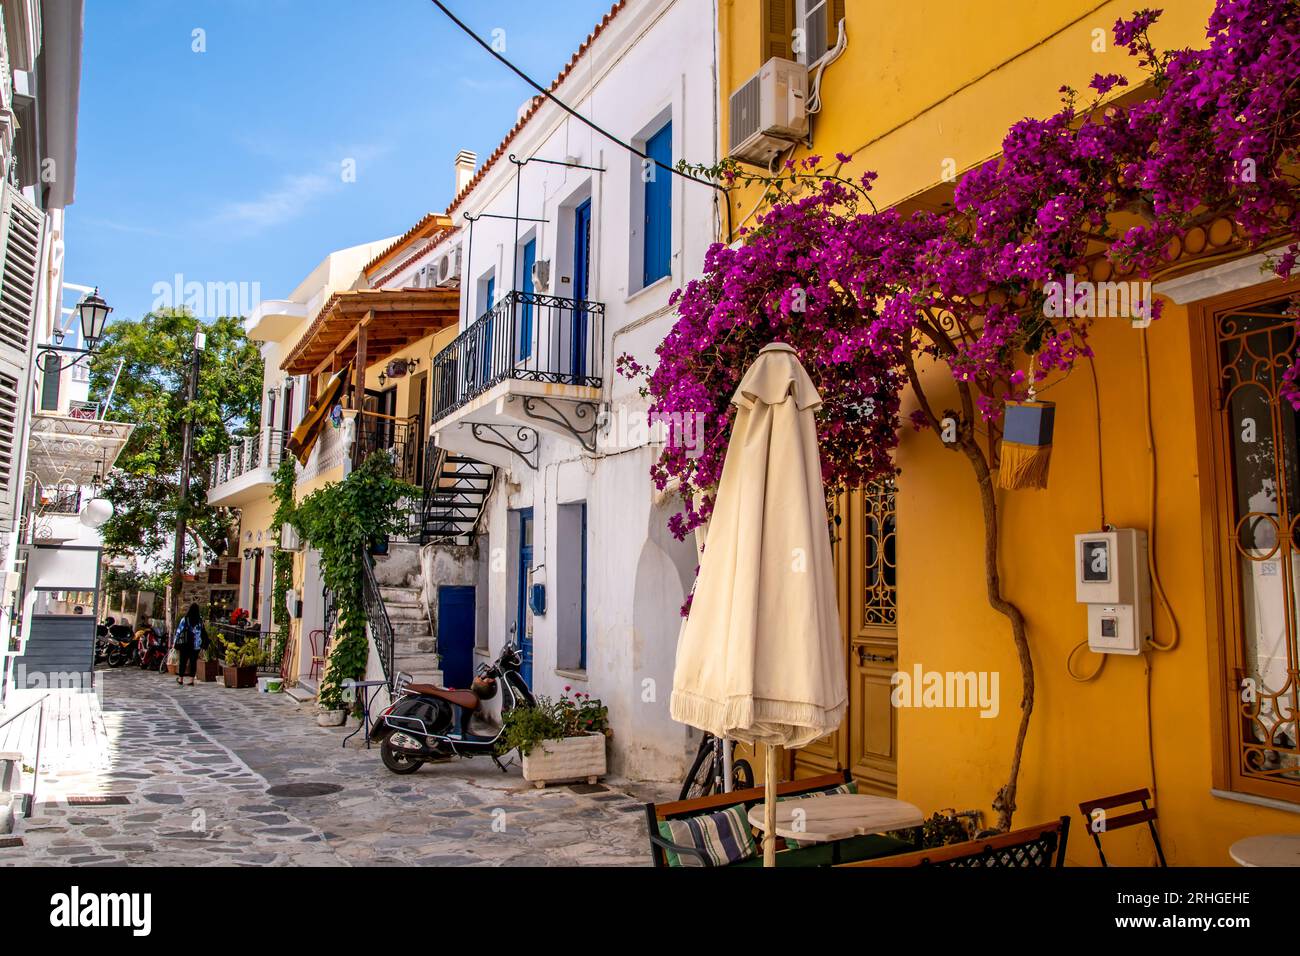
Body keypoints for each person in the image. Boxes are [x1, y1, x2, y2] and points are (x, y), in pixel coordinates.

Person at [173, 604, 206, 687]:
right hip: (196, 645)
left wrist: (175, 642)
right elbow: (202, 632)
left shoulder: (185, 619)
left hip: (185, 644)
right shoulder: (200, 620)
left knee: (183, 661)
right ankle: (191, 680)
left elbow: (179, 631)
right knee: (193, 662)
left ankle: (180, 679)